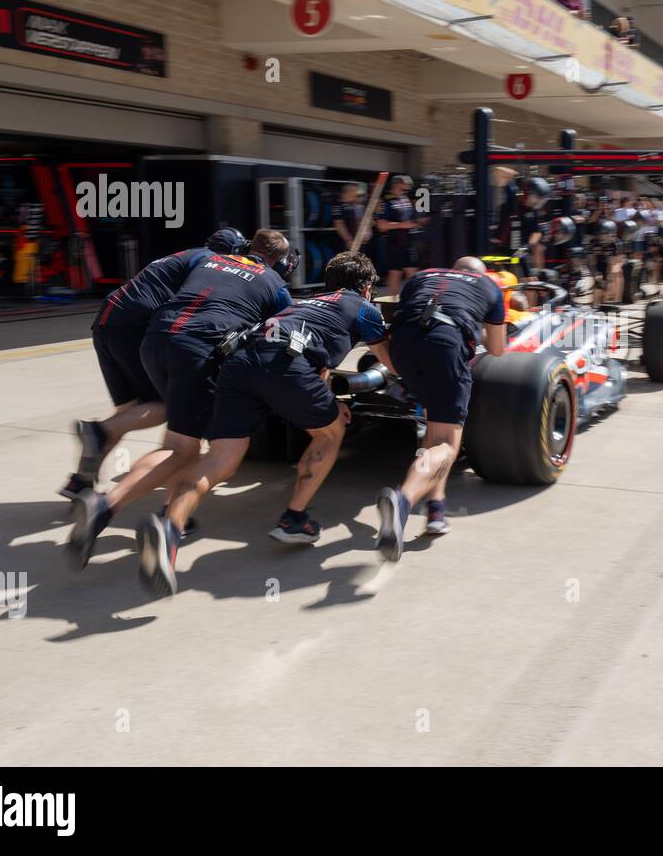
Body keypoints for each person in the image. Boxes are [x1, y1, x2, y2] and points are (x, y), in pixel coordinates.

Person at [135, 251, 392, 597]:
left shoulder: (304, 302)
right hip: (286, 362)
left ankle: (170, 526)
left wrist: (323, 398)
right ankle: (294, 519)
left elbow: (317, 370)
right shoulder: (364, 309)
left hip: (241, 359)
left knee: (223, 455)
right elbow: (392, 364)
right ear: (366, 287)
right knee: (331, 433)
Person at [65, 230, 294, 570]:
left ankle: (171, 513)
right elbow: (284, 330)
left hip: (155, 341)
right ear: (280, 261)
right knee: (183, 448)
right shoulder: (274, 282)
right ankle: (112, 507)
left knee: (177, 437)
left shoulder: (211, 260)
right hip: (198, 348)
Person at [60, 228, 246, 500]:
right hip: (133, 325)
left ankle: (80, 481)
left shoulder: (185, 255)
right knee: (166, 406)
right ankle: (98, 431)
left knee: (130, 411)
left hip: (107, 319)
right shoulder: (209, 263)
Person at [374, 257, 508, 560]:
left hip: (404, 345)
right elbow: (498, 350)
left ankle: (436, 509)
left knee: (436, 430)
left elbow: (406, 311)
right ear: (480, 274)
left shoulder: (422, 275)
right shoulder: (489, 286)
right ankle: (403, 499)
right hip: (445, 344)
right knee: (447, 442)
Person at [374, 175, 424, 295]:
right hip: (394, 244)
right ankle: (391, 304)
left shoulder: (405, 199)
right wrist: (402, 225)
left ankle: (413, 301)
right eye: (406, 184)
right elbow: (381, 225)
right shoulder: (385, 202)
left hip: (409, 243)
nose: (409, 187)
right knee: (395, 273)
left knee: (413, 273)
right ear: (397, 185)